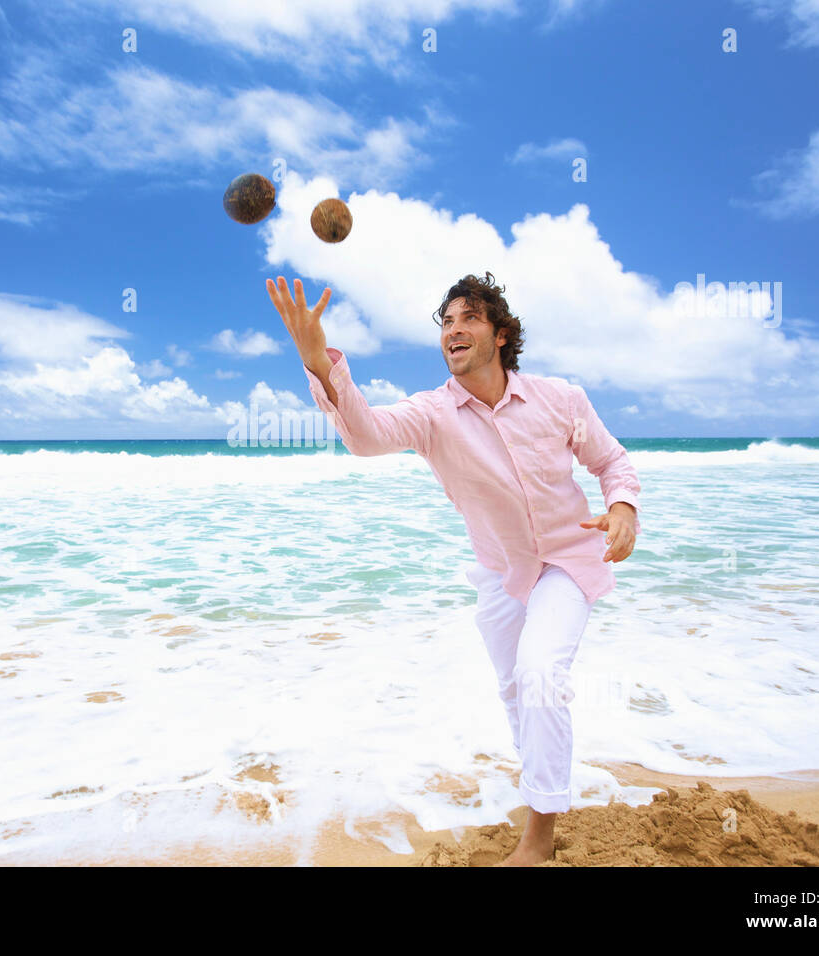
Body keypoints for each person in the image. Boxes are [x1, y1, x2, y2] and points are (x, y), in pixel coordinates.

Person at [265, 271, 642, 866]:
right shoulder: (434, 415)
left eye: (468, 318)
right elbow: (366, 436)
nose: (454, 330)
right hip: (501, 573)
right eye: (446, 322)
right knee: (519, 691)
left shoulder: (560, 400)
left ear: (500, 334)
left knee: (541, 672)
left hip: (568, 561)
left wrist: (622, 508)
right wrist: (320, 362)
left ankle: (539, 839)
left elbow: (610, 460)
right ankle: (541, 788)